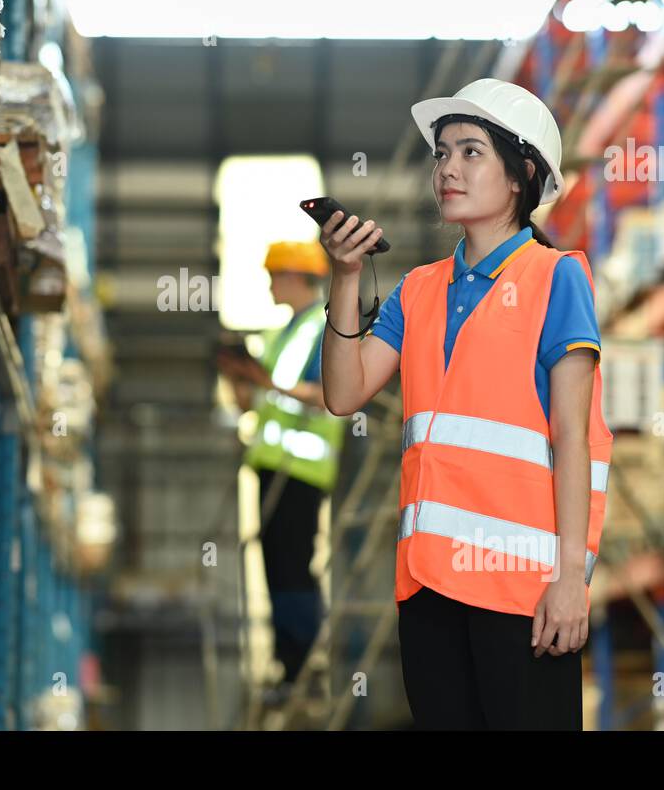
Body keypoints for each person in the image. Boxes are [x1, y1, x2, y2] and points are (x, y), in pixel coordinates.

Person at [318, 78, 614, 730]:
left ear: (522, 174)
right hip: (427, 588)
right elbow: (343, 393)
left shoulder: (555, 277)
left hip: (522, 593)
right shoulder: (419, 290)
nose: (447, 167)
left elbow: (574, 438)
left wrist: (572, 579)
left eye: (471, 152)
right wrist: (344, 279)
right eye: (442, 153)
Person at [217, 241, 346, 702]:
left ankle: (302, 668)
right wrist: (239, 378)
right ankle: (286, 666)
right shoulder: (279, 335)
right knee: (276, 570)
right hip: (272, 467)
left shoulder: (322, 329)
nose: (271, 284)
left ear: (296, 278)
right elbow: (260, 401)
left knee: (292, 570)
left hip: (302, 470)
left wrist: (264, 382)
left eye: (276, 275)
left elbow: (329, 393)